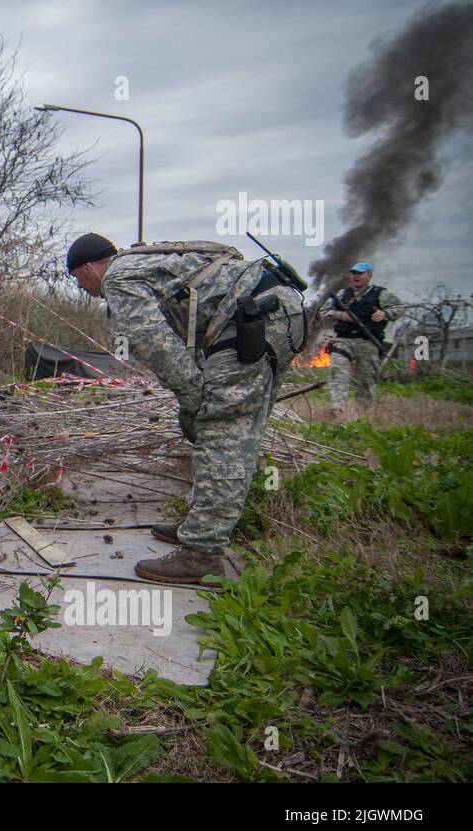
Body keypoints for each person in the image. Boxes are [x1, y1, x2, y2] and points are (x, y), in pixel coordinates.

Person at [65, 232, 306, 585]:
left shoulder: (117, 276)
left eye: (76, 278)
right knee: (240, 432)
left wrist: (193, 396)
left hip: (252, 319)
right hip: (275, 312)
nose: (81, 288)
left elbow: (151, 340)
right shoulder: (148, 263)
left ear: (89, 267)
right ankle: (205, 525)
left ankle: (201, 553)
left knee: (219, 430)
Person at [323, 262, 404, 411]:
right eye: (353, 273)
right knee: (338, 371)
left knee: (367, 379)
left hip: (368, 341)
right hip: (344, 339)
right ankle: (337, 408)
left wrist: (385, 313)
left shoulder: (380, 293)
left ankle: (362, 412)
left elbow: (398, 308)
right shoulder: (342, 294)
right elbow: (325, 311)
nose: (355, 276)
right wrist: (342, 315)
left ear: (369, 276)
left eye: (359, 273)